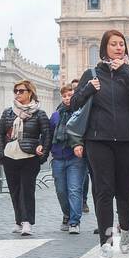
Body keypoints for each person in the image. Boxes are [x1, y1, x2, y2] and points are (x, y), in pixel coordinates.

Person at [66, 31, 129, 258]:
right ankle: (105, 241)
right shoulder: (91, 74)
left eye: (122, 44)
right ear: (105, 48)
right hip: (98, 140)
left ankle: (126, 229)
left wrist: (123, 71)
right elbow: (73, 104)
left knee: (124, 192)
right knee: (103, 191)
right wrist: (86, 90)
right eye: (113, 44)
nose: (118, 48)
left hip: (128, 140)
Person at [0, 78, 50, 236]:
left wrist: (42, 155)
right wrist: (0, 155)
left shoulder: (40, 114)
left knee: (27, 190)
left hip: (30, 156)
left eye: (21, 91)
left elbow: (47, 136)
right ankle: (18, 220)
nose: (17, 94)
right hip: (10, 156)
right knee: (14, 190)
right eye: (16, 91)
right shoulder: (8, 112)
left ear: (30, 92)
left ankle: (27, 222)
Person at [47, 80, 86, 233]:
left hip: (75, 158)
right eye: (64, 95)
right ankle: (67, 214)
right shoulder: (55, 115)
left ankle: (74, 221)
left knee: (75, 189)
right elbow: (49, 135)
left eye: (70, 95)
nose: (67, 98)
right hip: (58, 158)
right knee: (61, 190)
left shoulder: (81, 113)